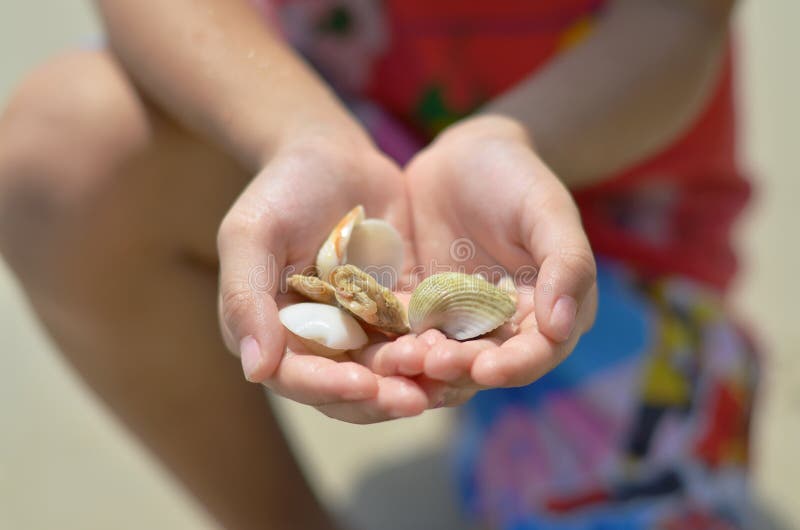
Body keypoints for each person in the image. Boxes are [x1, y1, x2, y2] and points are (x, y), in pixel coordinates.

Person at [0, 0, 757, 528]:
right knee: (63, 151)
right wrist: (298, 136)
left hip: (615, 227)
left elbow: (683, 13)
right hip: (315, 124)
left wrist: (512, 140)